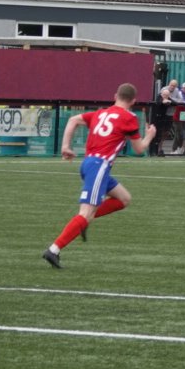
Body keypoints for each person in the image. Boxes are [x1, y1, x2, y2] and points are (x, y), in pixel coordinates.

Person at [43, 83, 157, 267]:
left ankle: (83, 222)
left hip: (89, 164)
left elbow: (73, 120)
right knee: (85, 212)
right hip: (100, 166)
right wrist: (150, 135)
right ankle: (53, 250)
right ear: (133, 101)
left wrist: (65, 146)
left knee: (124, 199)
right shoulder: (129, 117)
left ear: (115, 96)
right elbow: (139, 149)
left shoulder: (100, 113)